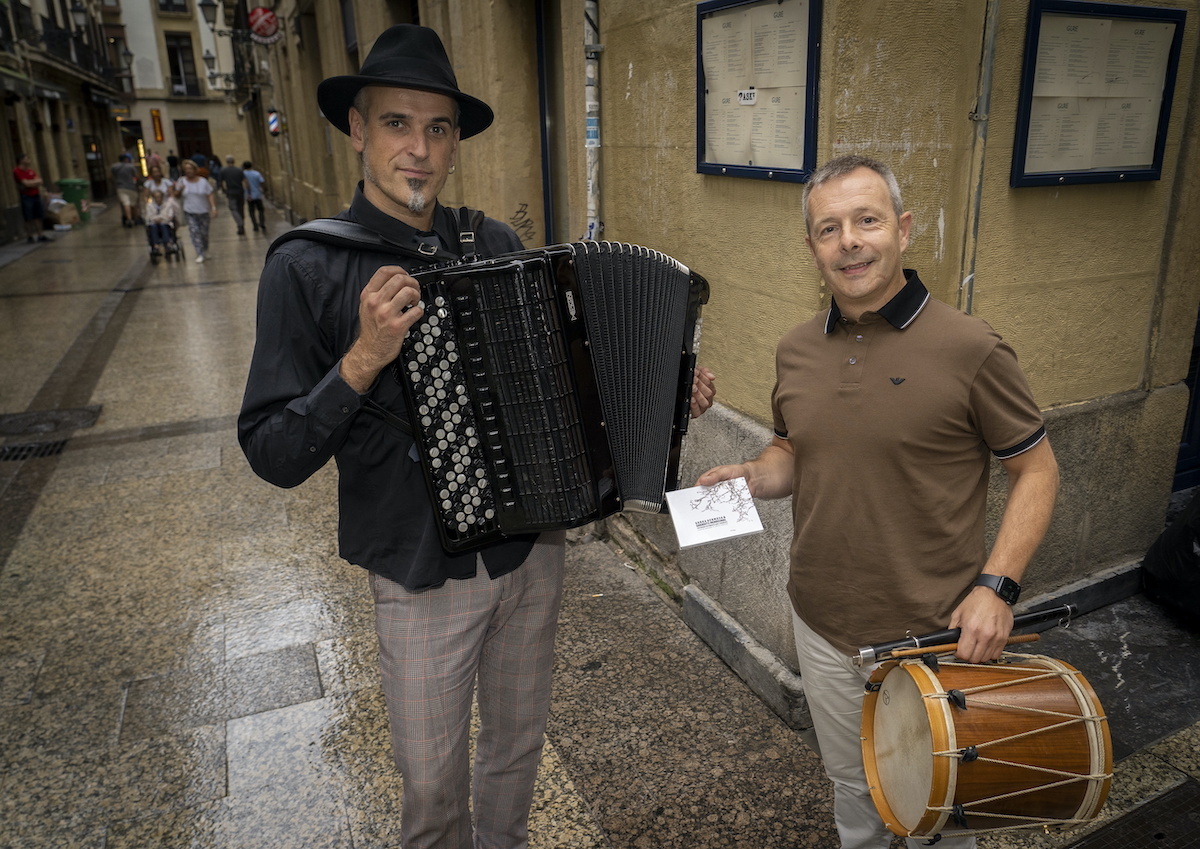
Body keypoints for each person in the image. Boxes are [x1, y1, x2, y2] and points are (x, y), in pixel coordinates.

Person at [239, 24, 714, 849]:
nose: (417, 150)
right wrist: (362, 359)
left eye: (437, 128)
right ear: (358, 129)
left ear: (455, 141)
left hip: (530, 553)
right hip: (422, 575)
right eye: (396, 124)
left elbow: (558, 382)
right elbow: (272, 450)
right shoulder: (306, 267)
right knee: (430, 788)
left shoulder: (489, 244)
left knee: (516, 752)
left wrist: (664, 394)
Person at [698, 154, 1059, 849]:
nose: (849, 241)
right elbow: (794, 452)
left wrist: (998, 587)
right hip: (823, 623)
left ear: (903, 227)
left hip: (936, 633)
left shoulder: (971, 347)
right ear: (812, 248)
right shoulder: (796, 349)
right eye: (829, 229)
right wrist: (751, 474)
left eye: (867, 220)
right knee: (856, 792)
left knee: (945, 810)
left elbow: (1038, 470)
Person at [175, 158, 216, 262]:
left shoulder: (203, 181)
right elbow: (176, 195)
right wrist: (180, 189)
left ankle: (205, 249)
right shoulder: (181, 181)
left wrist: (213, 207)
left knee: (204, 233)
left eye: (190, 169)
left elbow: (209, 194)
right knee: (194, 232)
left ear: (195, 169)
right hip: (190, 211)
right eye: (186, 169)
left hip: (203, 211)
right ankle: (199, 253)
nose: (188, 171)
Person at [12, 154, 50, 243]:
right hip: (26, 196)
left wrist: (31, 183)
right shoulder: (17, 171)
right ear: (21, 160)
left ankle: (40, 235)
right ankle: (30, 236)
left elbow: (40, 181)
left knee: (38, 215)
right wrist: (33, 183)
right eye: (27, 159)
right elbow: (26, 184)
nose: (29, 160)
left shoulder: (31, 171)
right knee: (28, 217)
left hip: (35, 195)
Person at [218, 155, 247, 235]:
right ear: (234, 161)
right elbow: (245, 181)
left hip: (231, 192)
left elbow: (220, 182)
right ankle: (241, 225)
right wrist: (249, 191)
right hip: (240, 191)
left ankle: (240, 224)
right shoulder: (239, 170)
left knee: (233, 208)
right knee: (241, 209)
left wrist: (223, 190)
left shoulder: (223, 170)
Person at [144, 189, 177, 256]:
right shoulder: (149, 206)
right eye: (156, 197)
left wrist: (161, 218)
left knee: (163, 225)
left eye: (159, 197)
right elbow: (148, 217)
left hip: (165, 223)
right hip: (154, 224)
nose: (158, 199)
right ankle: (156, 246)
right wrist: (157, 219)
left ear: (162, 197)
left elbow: (170, 216)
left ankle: (167, 244)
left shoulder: (168, 205)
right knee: (153, 227)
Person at [111, 153, 140, 227]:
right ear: (126, 159)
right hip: (131, 187)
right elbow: (136, 176)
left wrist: (115, 182)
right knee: (133, 204)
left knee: (125, 203)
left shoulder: (114, 167)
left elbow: (111, 176)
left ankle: (129, 219)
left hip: (120, 187)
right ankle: (135, 219)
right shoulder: (130, 166)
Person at [242, 160, 266, 232]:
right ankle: (262, 223)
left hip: (249, 196)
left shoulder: (243, 174)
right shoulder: (256, 173)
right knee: (260, 210)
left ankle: (255, 225)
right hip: (257, 195)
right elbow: (262, 182)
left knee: (251, 211)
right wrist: (265, 190)